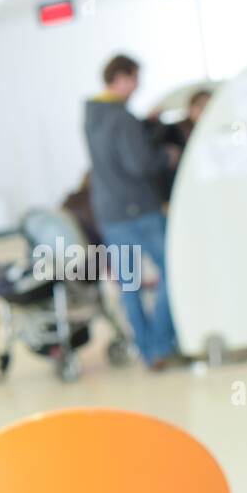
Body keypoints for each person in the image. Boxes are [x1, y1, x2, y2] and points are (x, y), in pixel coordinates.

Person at [84, 54, 181, 370]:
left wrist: (144, 128)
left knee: (129, 286)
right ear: (123, 78)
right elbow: (139, 164)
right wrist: (166, 155)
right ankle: (162, 341)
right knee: (173, 270)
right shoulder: (122, 118)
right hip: (140, 210)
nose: (138, 85)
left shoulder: (93, 116)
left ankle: (147, 350)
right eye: (136, 78)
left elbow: (117, 155)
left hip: (111, 213)